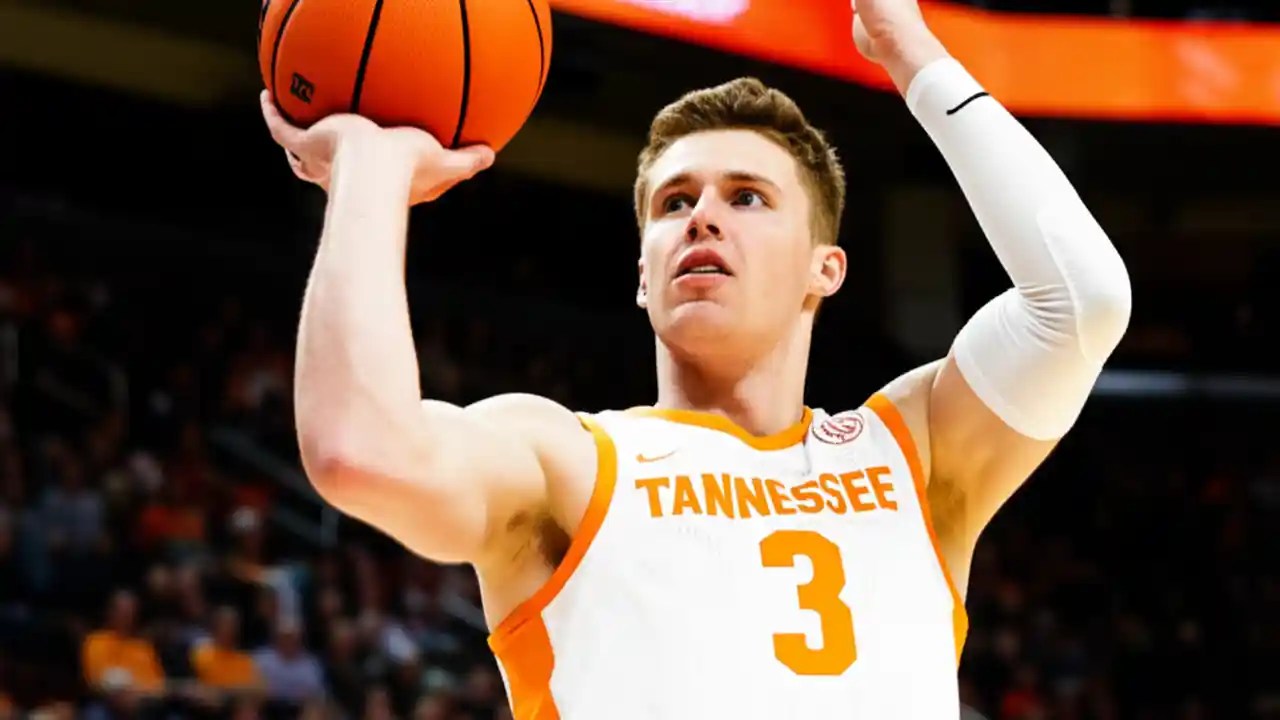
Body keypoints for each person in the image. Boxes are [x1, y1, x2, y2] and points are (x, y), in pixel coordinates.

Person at [261, 0, 1131, 716]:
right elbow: (360, 451)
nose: (702, 218)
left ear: (824, 269)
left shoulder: (914, 455)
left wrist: (911, 51)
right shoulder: (570, 462)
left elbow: (1081, 300)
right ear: (643, 275)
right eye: (676, 202)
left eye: (746, 197)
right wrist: (369, 168)